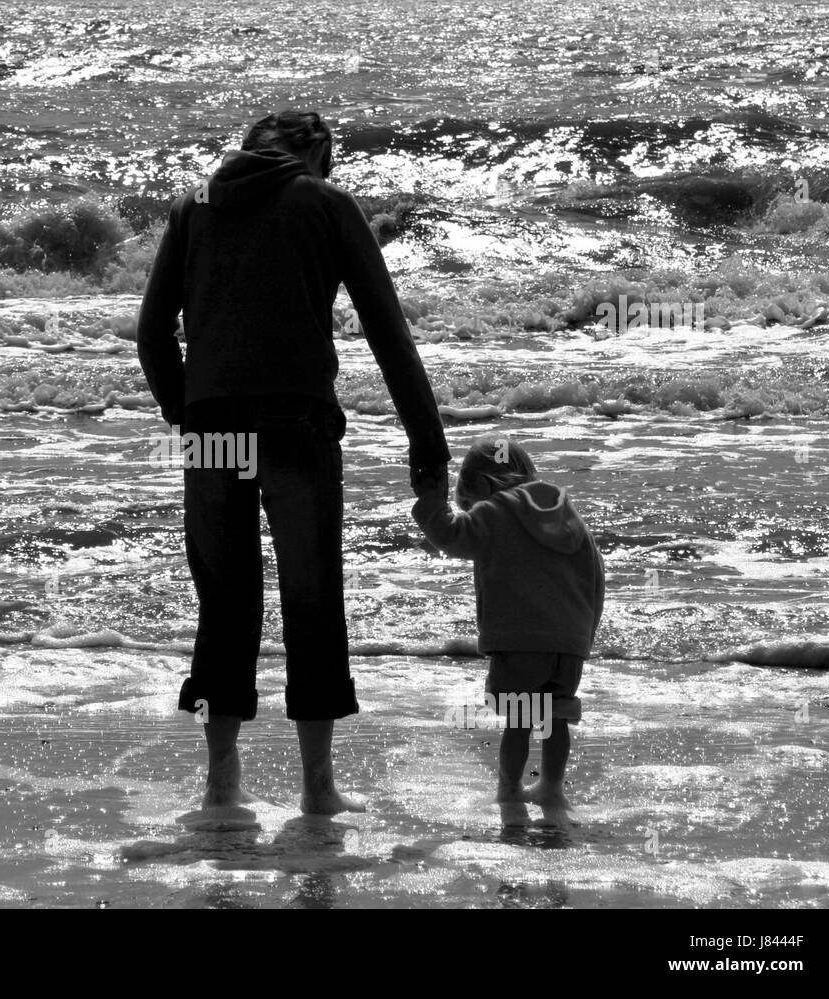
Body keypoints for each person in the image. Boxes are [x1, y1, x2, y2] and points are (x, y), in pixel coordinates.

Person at [136, 111, 450, 815]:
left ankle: (221, 780)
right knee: (311, 600)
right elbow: (386, 331)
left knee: (225, 602)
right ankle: (316, 787)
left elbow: (152, 332)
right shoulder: (326, 203)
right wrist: (428, 446)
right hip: (296, 426)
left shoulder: (195, 205)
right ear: (313, 151)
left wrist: (184, 412)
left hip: (213, 430)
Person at [410, 437, 604, 825]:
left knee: (519, 720)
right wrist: (583, 635)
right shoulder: (566, 514)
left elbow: (451, 535)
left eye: (468, 502)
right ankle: (551, 787)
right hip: (569, 642)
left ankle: (510, 790)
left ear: (481, 486)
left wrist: (431, 499)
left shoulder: (496, 511)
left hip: (520, 640)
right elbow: (596, 576)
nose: (470, 510)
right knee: (556, 716)